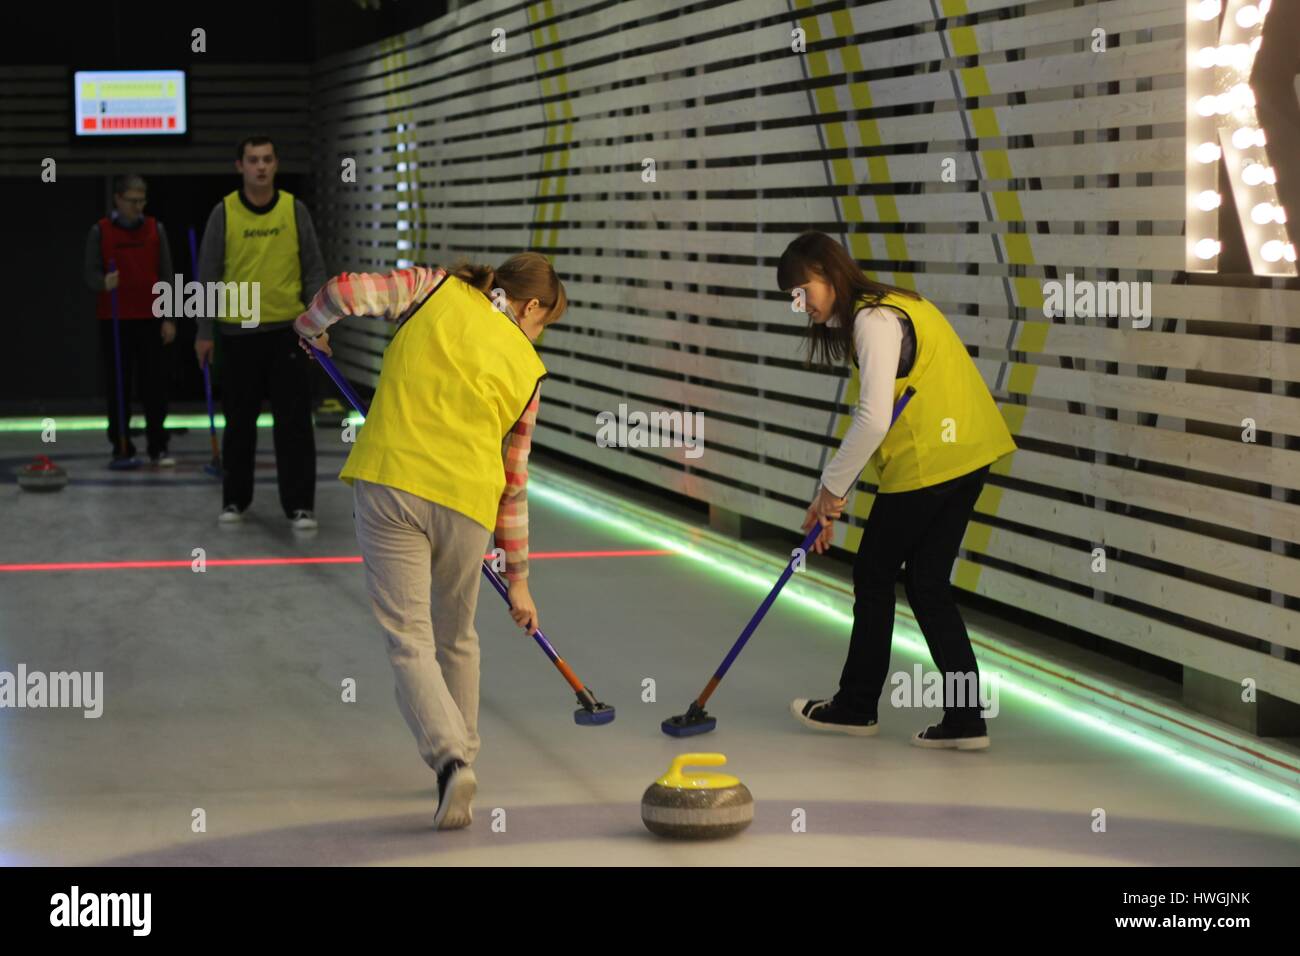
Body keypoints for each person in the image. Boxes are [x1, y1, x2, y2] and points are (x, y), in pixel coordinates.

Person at [293, 253, 567, 829]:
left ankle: (450, 761)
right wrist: (519, 580)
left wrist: (310, 329)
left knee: (409, 639)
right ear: (531, 305)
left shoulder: (431, 287)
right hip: (468, 504)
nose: (538, 334)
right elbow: (514, 486)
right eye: (544, 323)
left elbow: (344, 289)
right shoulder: (529, 369)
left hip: (392, 480)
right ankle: (463, 750)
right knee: (457, 638)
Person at [780, 231, 1016, 750]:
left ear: (826, 271)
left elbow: (873, 418)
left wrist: (829, 493)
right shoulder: (893, 305)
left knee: (874, 573)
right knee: (928, 583)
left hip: (930, 462)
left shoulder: (874, 319)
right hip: (968, 454)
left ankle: (856, 706)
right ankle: (965, 720)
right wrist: (835, 495)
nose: (800, 305)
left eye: (801, 291)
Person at [195, 135, 327, 528]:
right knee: (239, 424)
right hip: (238, 335)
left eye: (267, 159)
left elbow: (314, 270)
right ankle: (235, 499)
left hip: (288, 334)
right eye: (253, 160)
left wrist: (318, 323)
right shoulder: (224, 213)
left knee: (295, 425)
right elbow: (208, 276)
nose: (261, 167)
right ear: (240, 167)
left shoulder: (294, 209)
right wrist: (204, 331)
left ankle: (301, 505)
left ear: (276, 163)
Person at [83, 174, 176, 467]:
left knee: (154, 386)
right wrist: (103, 282)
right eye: (132, 201)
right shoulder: (100, 231)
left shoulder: (155, 229)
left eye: (142, 201)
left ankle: (157, 446)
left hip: (150, 317)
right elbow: (90, 274)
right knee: (118, 386)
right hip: (114, 318)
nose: (138, 206)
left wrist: (169, 316)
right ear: (118, 200)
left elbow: (166, 275)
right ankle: (121, 445)